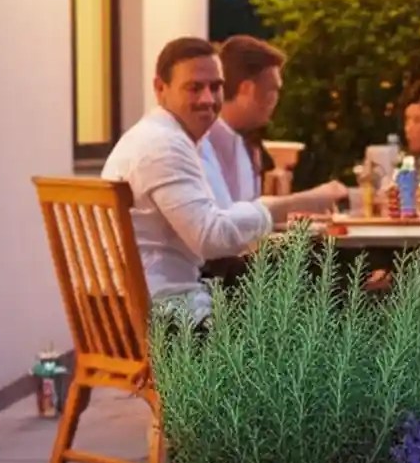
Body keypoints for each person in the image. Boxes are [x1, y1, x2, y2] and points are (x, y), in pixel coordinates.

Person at [101, 37, 336, 325]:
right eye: (194, 87)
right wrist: (294, 203)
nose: (209, 99)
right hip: (168, 319)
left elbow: (218, 221)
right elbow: (212, 238)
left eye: (216, 86)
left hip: (128, 309)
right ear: (160, 89)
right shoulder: (163, 146)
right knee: (315, 315)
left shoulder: (162, 137)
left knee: (301, 295)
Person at [200, 35, 344, 210]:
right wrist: (310, 200)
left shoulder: (244, 142)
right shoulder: (203, 145)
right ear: (247, 89)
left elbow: (250, 218)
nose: (277, 100)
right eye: (273, 90)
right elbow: (230, 218)